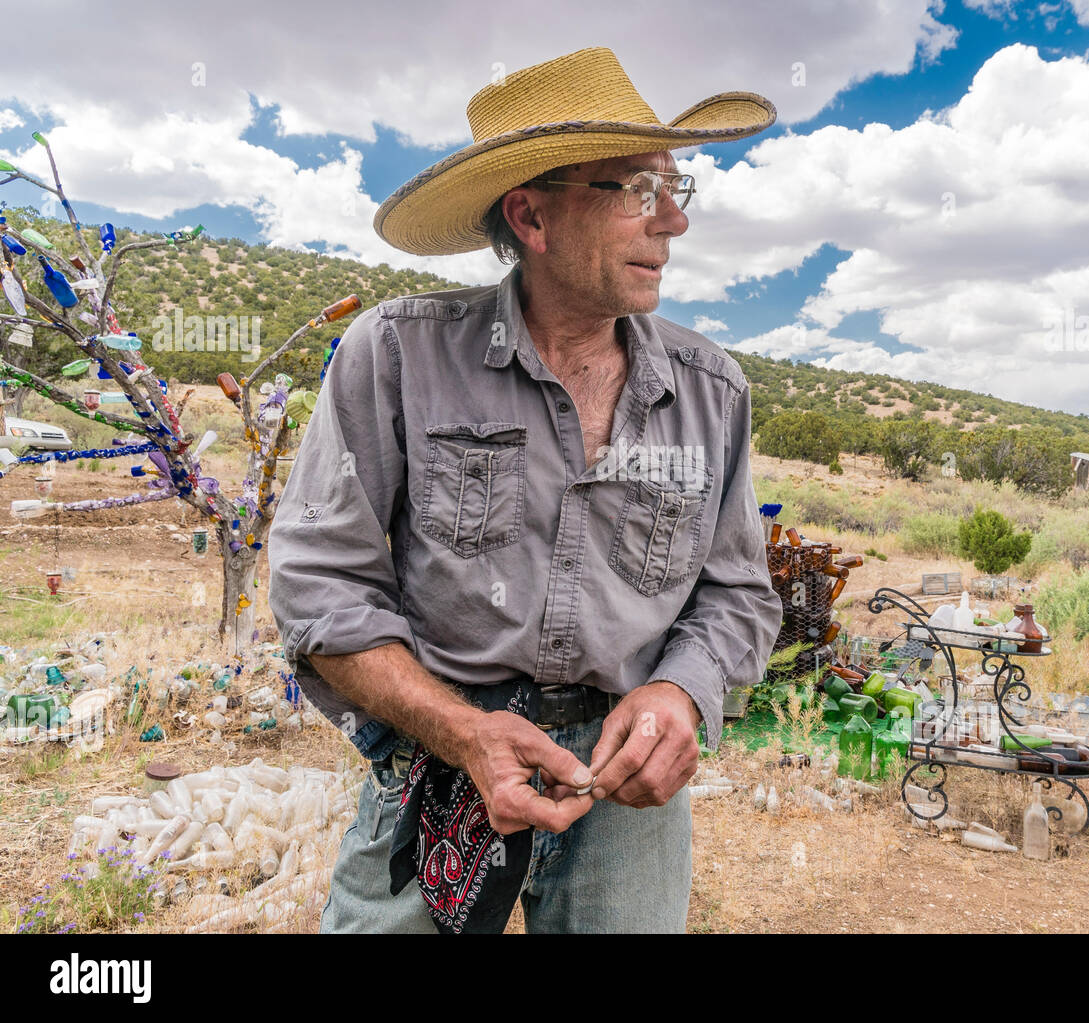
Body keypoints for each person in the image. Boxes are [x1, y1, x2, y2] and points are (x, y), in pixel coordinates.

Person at [268, 46, 782, 933]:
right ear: (532, 217)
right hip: (441, 754)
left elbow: (737, 594)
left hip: (628, 794)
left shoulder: (713, 392)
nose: (673, 224)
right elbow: (320, 591)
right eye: (634, 189)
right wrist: (464, 734)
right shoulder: (396, 356)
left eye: (676, 187)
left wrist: (680, 693)